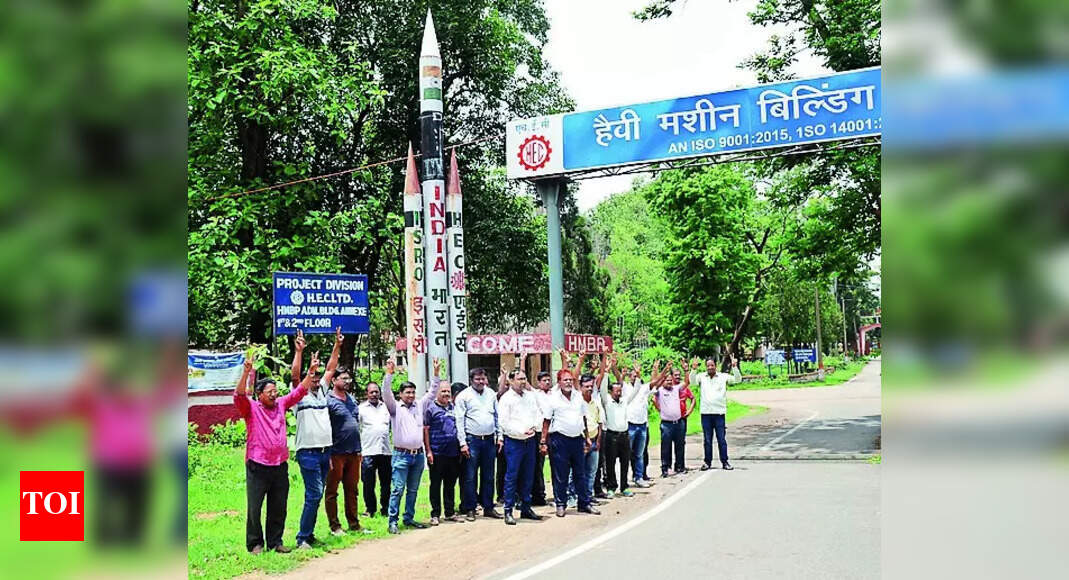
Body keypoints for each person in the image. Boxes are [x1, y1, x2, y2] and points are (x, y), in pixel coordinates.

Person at [235, 350, 316, 554]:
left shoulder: (281, 404)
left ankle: (275, 542)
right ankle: (255, 544)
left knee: (278, 506)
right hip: (257, 465)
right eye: (269, 391)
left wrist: (311, 372)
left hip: (280, 465)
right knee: (255, 507)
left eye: (275, 391)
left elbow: (298, 392)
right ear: (260, 394)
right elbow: (239, 395)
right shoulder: (251, 408)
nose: (274, 394)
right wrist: (246, 373)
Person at [291, 328, 342, 549]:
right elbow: (295, 375)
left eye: (317, 377)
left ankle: (309, 534)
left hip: (324, 452)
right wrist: (299, 352)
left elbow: (331, 368)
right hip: (308, 452)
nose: (315, 379)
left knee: (317, 494)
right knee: (313, 494)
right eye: (311, 376)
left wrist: (337, 345)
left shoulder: (321, 391)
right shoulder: (299, 396)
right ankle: (302, 537)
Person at [381, 359, 437, 534]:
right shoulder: (395, 408)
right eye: (407, 392)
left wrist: (435, 373)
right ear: (400, 394)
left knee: (413, 489)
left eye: (413, 392)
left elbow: (432, 392)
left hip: (418, 455)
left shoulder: (419, 405)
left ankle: (409, 517)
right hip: (401, 455)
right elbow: (386, 393)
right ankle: (392, 521)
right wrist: (389, 375)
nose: (411, 395)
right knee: (398, 489)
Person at [540, 367, 599, 518]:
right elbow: (546, 421)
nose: (568, 382)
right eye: (565, 380)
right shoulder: (553, 399)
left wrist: (586, 437)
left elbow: (584, 417)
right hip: (559, 440)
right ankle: (561, 504)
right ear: (559, 382)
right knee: (561, 475)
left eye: (570, 380)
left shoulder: (578, 397)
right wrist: (543, 441)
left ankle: (584, 503)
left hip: (577, 439)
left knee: (580, 473)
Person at [497, 361, 544, 525]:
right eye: (519, 379)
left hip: (530, 441)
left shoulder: (530, 396)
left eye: (524, 378)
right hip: (514, 442)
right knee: (512, 476)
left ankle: (526, 507)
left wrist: (534, 427)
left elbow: (538, 414)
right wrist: (519, 432)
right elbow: (504, 422)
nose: (523, 382)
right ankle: (508, 510)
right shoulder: (506, 399)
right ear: (510, 380)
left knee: (528, 475)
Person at [455, 366, 503, 521]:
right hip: (472, 440)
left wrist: (499, 436)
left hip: (489, 440)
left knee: (489, 475)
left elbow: (497, 417)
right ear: (471, 380)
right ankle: (470, 508)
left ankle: (488, 507)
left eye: (483, 379)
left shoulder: (491, 394)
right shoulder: (464, 396)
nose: (481, 382)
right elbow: (459, 420)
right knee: (470, 476)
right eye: (478, 379)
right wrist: (463, 443)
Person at [324, 359, 363, 536]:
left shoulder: (352, 400)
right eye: (344, 378)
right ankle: (335, 526)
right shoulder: (328, 400)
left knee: (352, 489)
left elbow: (355, 423)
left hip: (353, 452)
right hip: (335, 452)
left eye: (349, 379)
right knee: (332, 491)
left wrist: (359, 449)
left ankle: (354, 524)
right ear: (334, 380)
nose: (347, 381)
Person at [423, 363, 461, 526]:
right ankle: (435, 513)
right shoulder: (431, 409)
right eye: (443, 391)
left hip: (453, 453)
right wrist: (429, 451)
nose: (446, 394)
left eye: (448, 391)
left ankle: (450, 512)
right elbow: (425, 430)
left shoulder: (455, 408)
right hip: (437, 453)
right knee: (436, 484)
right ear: (437, 392)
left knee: (451, 484)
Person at [598, 356, 640, 498]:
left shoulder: (624, 401)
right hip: (611, 436)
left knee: (625, 462)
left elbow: (636, 391)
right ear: (611, 392)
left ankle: (624, 487)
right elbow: (602, 388)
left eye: (620, 390)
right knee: (609, 463)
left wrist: (638, 376)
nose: (619, 392)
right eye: (616, 391)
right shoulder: (607, 402)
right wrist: (607, 372)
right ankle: (611, 487)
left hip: (624, 435)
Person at [692, 356, 742, 470]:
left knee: (721, 439)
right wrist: (694, 369)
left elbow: (738, 380)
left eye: (712, 365)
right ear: (706, 366)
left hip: (719, 413)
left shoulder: (723, 377)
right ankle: (707, 462)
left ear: (716, 365)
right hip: (706, 413)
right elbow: (692, 381)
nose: (710, 367)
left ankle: (725, 462)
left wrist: (734, 367)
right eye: (708, 365)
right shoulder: (701, 377)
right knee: (707, 440)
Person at [626, 360, 664, 488]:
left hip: (642, 426)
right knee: (627, 454)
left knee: (639, 454)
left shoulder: (643, 388)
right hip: (629, 425)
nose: (635, 377)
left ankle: (639, 477)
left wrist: (661, 370)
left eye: (637, 375)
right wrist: (613, 365)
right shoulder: (625, 388)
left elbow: (656, 381)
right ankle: (624, 480)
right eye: (633, 375)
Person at [358, 380, 391, 518]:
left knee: (386, 482)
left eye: (376, 392)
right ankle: (370, 509)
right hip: (368, 451)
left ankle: (386, 508)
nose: (374, 394)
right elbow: (357, 428)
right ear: (367, 393)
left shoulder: (386, 408)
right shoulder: (360, 409)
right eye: (371, 392)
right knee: (368, 483)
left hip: (385, 451)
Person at [652, 360, 687, 478]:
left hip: (679, 423)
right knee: (666, 447)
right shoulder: (660, 391)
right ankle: (665, 468)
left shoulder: (676, 389)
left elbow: (687, 382)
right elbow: (653, 384)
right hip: (666, 425)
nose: (669, 382)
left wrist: (686, 369)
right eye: (667, 380)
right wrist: (657, 370)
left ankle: (680, 467)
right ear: (663, 382)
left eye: (670, 380)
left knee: (680, 446)